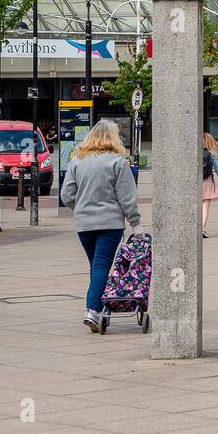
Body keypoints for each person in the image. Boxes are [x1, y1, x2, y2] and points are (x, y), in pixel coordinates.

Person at [58, 120, 141, 333]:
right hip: (110, 223)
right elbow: (127, 197)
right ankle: (93, 310)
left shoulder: (78, 161)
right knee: (102, 265)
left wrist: (80, 208)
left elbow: (66, 195)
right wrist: (135, 223)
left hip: (84, 223)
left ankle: (99, 308)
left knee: (95, 266)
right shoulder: (117, 162)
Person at [201, 132, 218, 238]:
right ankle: (202, 229)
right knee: (205, 206)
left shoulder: (191, 152)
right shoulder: (212, 153)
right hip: (207, 181)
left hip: (193, 182)